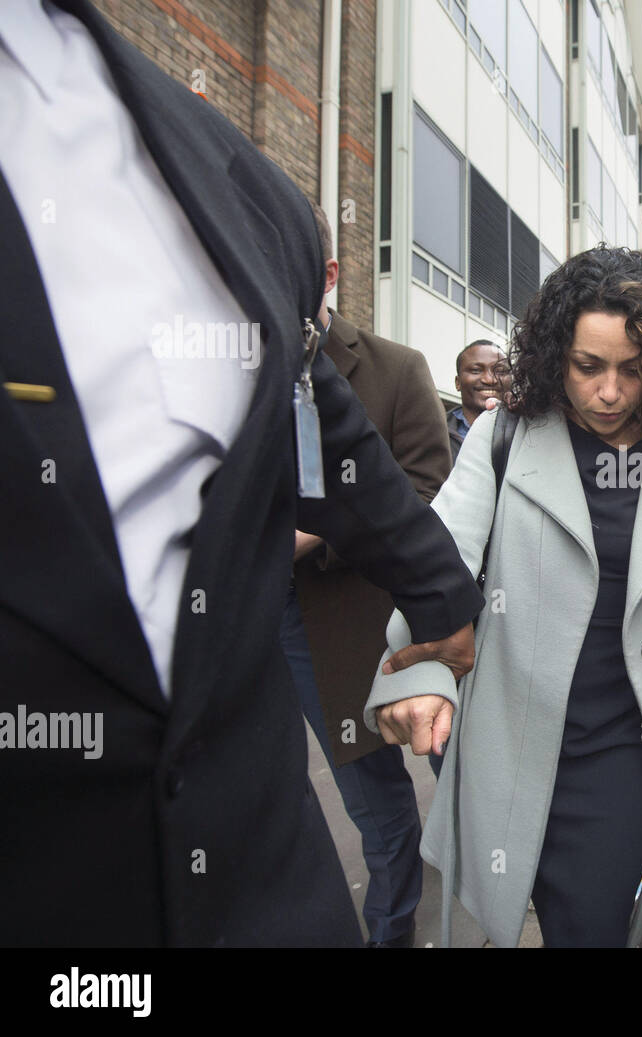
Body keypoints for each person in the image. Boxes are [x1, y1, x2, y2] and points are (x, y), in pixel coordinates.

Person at [0, 0, 481, 946]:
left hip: (269, 881)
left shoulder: (237, 185)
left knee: (384, 814)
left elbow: (322, 431)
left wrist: (443, 598)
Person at [364, 246, 642, 948]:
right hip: (509, 735)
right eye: (588, 367)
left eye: (632, 368)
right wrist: (418, 672)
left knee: (595, 925)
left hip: (622, 750)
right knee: (493, 912)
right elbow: (437, 564)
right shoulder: (501, 437)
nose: (610, 392)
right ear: (553, 357)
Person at [279, 203, 455, 948]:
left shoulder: (396, 368)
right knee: (380, 821)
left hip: (395, 626)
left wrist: (311, 533)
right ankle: (392, 937)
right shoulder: (233, 370)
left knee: (463, 785)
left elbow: (426, 495)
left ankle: (496, 898)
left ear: (326, 274)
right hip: (291, 633)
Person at [447, 340, 509, 461]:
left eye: (500, 371)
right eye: (476, 370)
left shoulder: (529, 432)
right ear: (458, 383)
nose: (490, 380)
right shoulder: (435, 433)